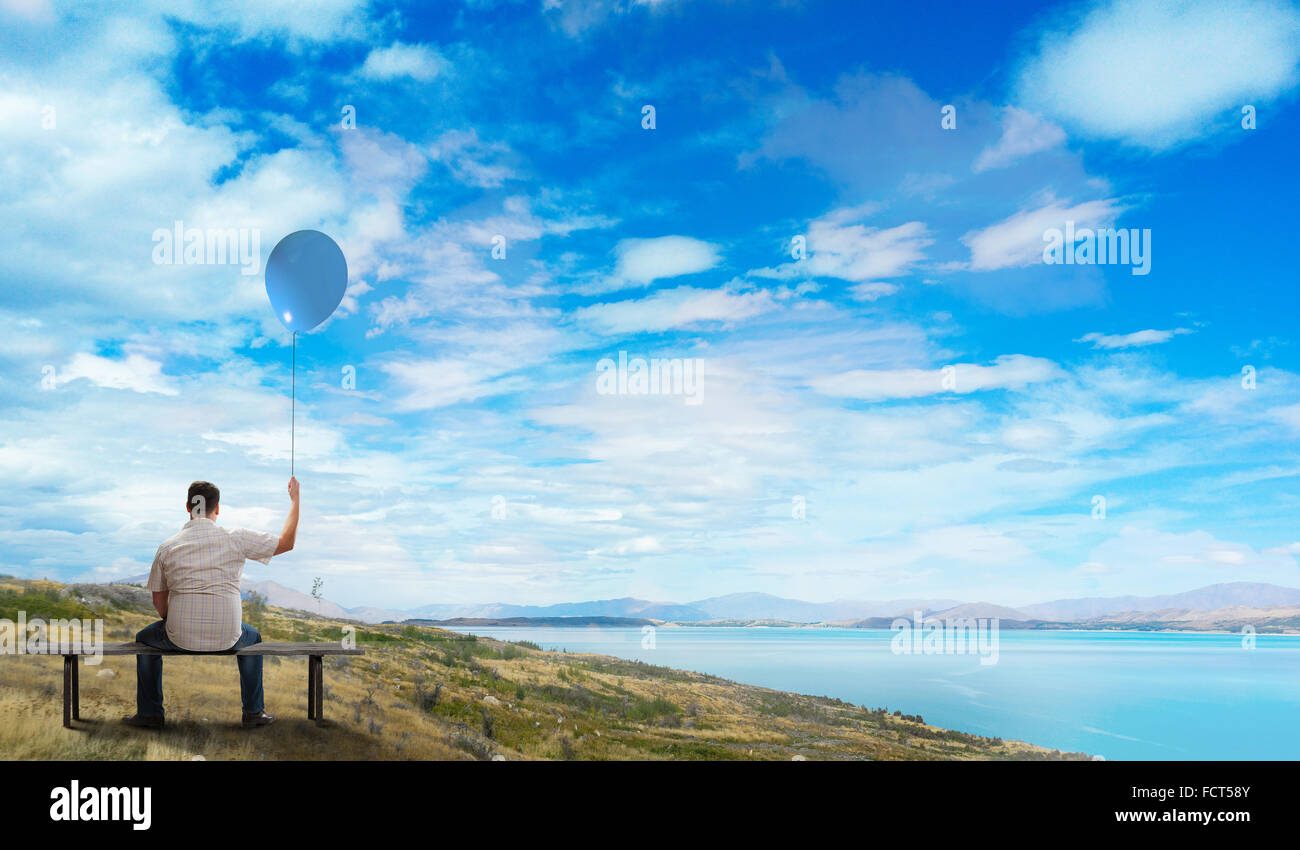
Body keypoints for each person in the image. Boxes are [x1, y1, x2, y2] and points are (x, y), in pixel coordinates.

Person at [123, 477, 300, 729]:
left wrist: (175, 621)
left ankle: (150, 715)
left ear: (187, 507)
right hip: (230, 634)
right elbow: (287, 543)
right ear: (217, 508)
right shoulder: (236, 537)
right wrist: (295, 500)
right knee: (253, 638)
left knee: (143, 638)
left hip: (178, 636)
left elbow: (160, 602)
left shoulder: (167, 546)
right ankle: (253, 713)